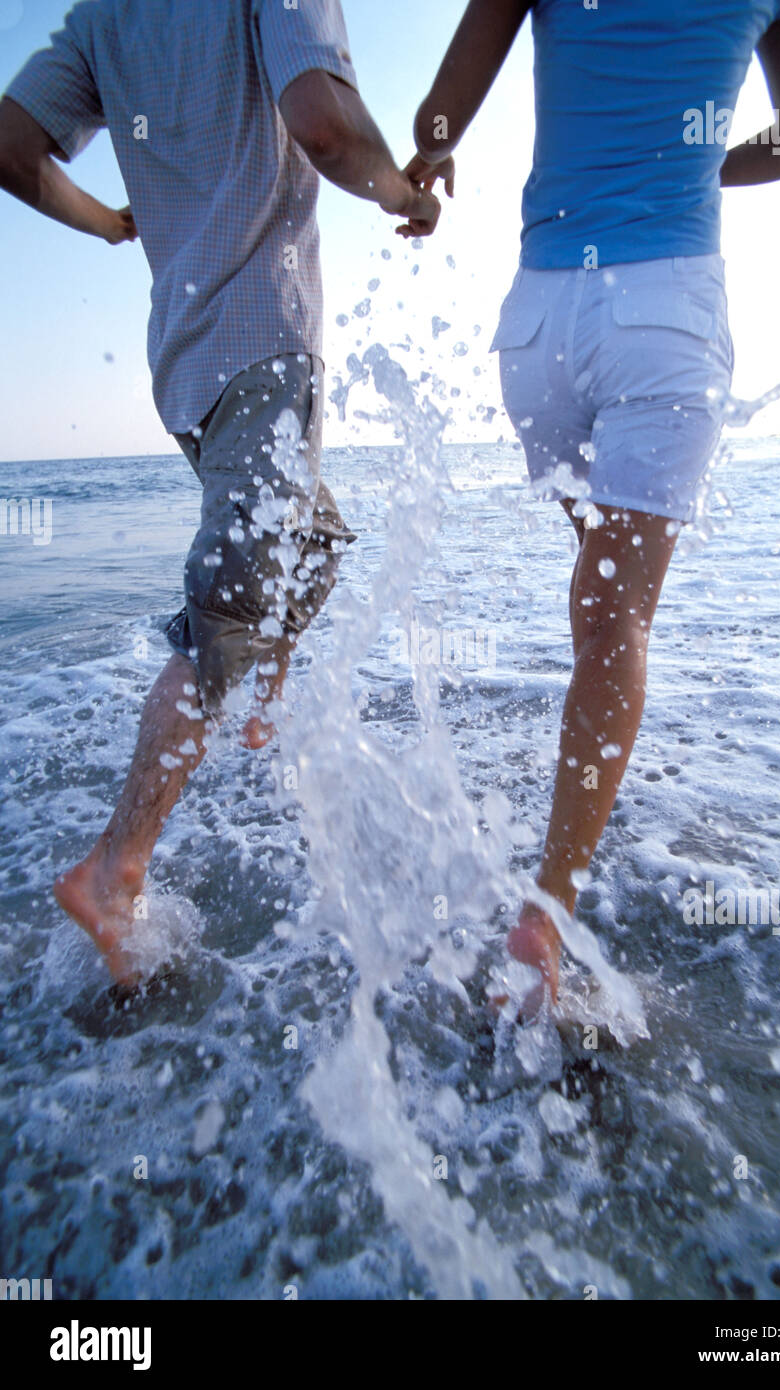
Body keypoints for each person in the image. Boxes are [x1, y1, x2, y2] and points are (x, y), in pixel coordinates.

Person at [0, 0, 448, 988]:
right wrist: (398, 192)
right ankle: (115, 868)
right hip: (263, 349)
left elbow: (12, 142)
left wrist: (109, 220)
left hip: (189, 374)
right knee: (223, 616)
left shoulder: (101, 17)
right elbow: (321, 119)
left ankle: (261, 692)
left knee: (318, 538)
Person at [406, 0, 780, 1010]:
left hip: (540, 321)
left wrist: (427, 161)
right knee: (617, 619)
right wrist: (694, 160)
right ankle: (547, 912)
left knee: (597, 593)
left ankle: (563, 826)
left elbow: (441, 112)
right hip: (665, 310)